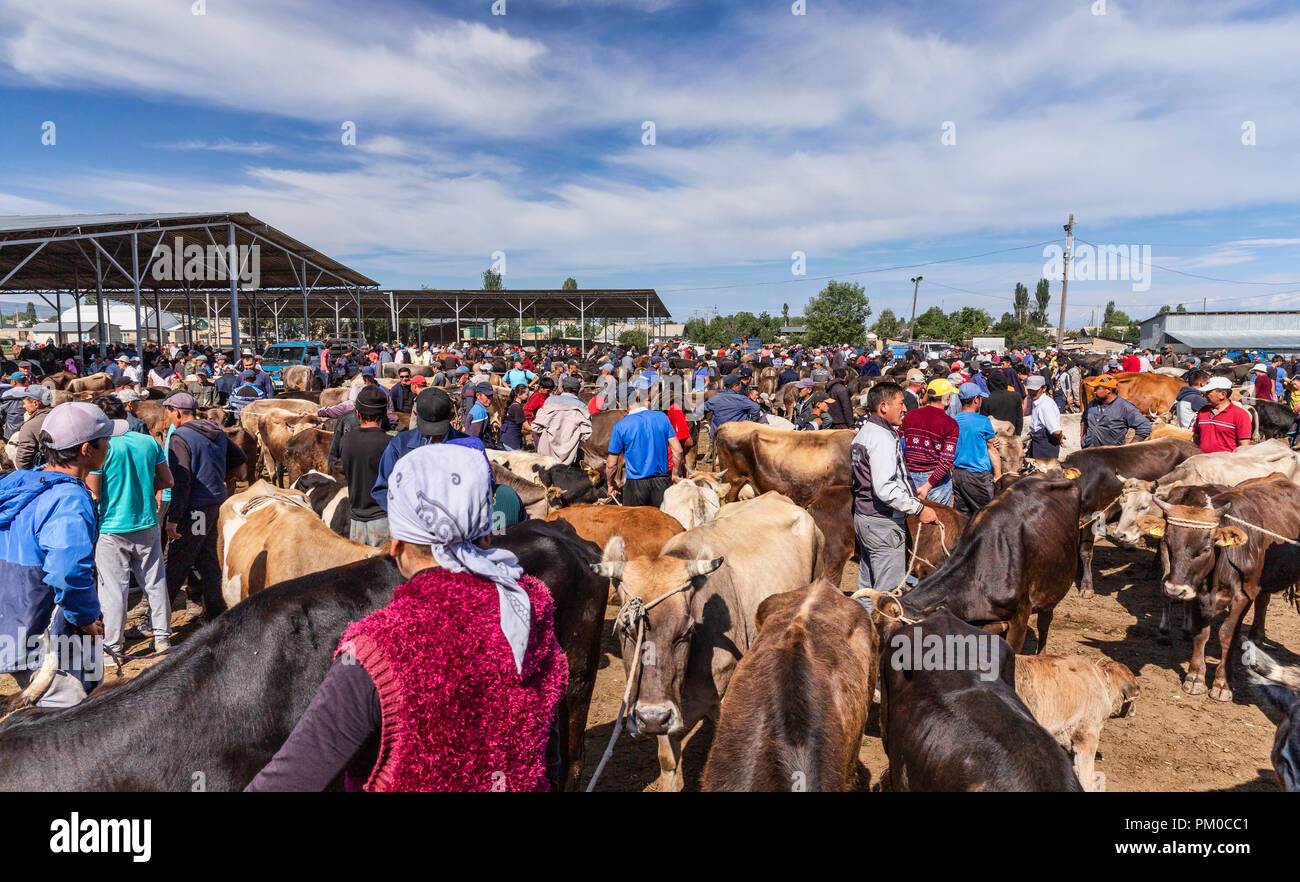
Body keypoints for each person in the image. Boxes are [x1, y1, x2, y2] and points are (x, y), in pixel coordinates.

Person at [246, 443, 566, 791]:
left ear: (396, 540)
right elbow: (547, 758)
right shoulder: (527, 616)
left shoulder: (378, 649)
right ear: (486, 532)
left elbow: (290, 781)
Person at [0, 402, 120, 707]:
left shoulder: (20, 483)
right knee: (69, 722)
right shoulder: (68, 500)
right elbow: (67, 571)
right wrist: (85, 618)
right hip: (48, 633)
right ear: (85, 450)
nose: (109, 446)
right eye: (105, 441)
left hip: (13, 623)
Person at [87, 395, 173, 654]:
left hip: (111, 526)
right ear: (125, 415)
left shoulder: (103, 448)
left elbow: (94, 492)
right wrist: (146, 487)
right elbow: (167, 481)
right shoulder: (148, 442)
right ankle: (162, 638)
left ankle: (113, 647)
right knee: (155, 582)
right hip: (146, 521)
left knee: (113, 589)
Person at [163, 392, 247, 623]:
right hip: (216, 504)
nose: (167, 416)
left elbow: (182, 481)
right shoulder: (216, 431)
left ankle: (158, 621)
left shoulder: (180, 437)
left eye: (168, 411)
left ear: (177, 412)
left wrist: (173, 518)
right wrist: (217, 475)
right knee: (209, 560)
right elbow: (239, 457)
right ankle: (217, 614)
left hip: (196, 509)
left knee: (176, 561)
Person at [850, 382, 937, 606]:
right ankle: (882, 638)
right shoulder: (882, 438)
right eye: (900, 404)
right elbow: (885, 489)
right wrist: (918, 508)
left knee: (868, 589)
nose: (905, 409)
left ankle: (864, 634)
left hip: (865, 518)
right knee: (888, 595)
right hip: (883, 522)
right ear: (883, 406)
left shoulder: (864, 433)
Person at [371, 388, 471, 511]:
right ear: (415, 414)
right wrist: (406, 517)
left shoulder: (468, 446)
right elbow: (382, 489)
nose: (433, 436)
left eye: (439, 431)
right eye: (427, 431)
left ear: (452, 416)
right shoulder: (400, 444)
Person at [606, 384, 681, 507]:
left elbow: (611, 464)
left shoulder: (620, 426)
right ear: (638, 396)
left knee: (634, 524)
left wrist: (610, 483)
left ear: (619, 403)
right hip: (661, 482)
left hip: (635, 485)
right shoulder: (661, 417)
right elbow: (678, 450)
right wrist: (675, 474)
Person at [340, 385, 392, 547]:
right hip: (383, 521)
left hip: (355, 521)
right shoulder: (390, 444)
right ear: (384, 415)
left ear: (357, 414)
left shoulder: (346, 441)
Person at [899, 378, 958, 505]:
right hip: (936, 482)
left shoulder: (910, 416)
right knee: (937, 521)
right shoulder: (950, 424)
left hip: (910, 477)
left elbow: (896, 443)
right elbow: (947, 460)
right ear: (947, 396)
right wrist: (927, 486)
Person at [950, 383, 1002, 518]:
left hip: (958, 475)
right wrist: (998, 475)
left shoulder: (953, 421)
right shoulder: (983, 421)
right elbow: (992, 450)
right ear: (976, 400)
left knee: (962, 518)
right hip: (978, 476)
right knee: (988, 517)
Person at [532, 375, 591, 466]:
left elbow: (536, 427)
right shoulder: (582, 407)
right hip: (569, 459)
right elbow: (586, 435)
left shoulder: (550, 401)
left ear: (562, 389)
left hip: (546, 457)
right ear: (578, 391)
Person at [1080, 375, 1151, 448]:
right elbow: (1084, 418)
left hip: (1110, 455)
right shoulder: (1093, 403)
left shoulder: (1125, 407)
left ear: (1108, 390)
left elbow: (1145, 427)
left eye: (1097, 388)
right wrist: (1083, 438)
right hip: (1088, 451)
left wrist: (1129, 448)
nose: (1094, 391)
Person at [692, 373, 766, 437]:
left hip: (719, 436)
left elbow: (699, 411)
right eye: (739, 384)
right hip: (737, 435)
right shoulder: (741, 399)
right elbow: (756, 407)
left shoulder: (716, 398)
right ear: (735, 386)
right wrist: (750, 421)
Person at [1192, 376, 1253, 454]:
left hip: (1225, 464)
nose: (1205, 395)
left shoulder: (1240, 415)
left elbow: (1244, 446)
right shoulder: (1203, 411)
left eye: (1208, 392)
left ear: (1222, 394)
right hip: (1202, 461)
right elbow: (1195, 437)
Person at [9, 384, 54, 470]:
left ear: (35, 403)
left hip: (49, 470)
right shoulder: (60, 413)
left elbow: (22, 462)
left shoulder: (29, 427)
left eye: (24, 403)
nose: (23, 406)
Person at [1025, 375, 1063, 460]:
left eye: (1034, 390)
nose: (1031, 392)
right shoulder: (1037, 401)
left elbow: (1056, 431)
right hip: (1038, 444)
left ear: (1044, 388)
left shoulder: (1045, 405)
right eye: (1029, 390)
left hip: (1045, 447)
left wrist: (1059, 436)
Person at [500, 384, 528, 452]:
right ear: (519, 395)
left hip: (507, 439)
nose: (528, 396)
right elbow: (527, 427)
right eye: (526, 394)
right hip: (511, 441)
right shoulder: (516, 407)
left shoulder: (513, 404)